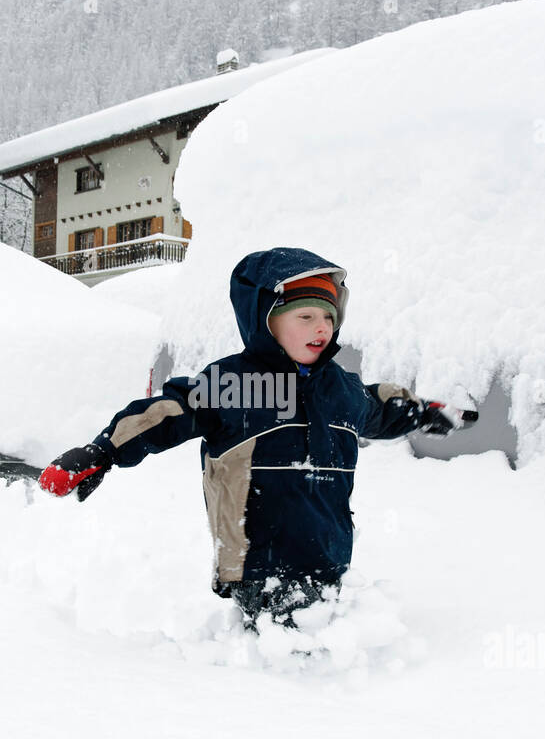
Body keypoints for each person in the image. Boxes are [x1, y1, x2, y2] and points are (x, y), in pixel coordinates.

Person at [39, 247, 462, 627]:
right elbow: (165, 413)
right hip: (259, 564)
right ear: (266, 322)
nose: (323, 327)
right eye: (306, 316)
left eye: (329, 316)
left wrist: (422, 413)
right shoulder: (233, 384)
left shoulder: (340, 389)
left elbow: (378, 408)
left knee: (330, 656)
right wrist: (102, 451)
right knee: (280, 673)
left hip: (332, 558)